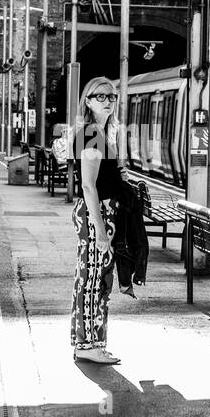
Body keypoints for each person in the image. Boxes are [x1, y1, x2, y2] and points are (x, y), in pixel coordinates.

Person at [70, 79, 126, 364]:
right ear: (88, 101)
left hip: (101, 214)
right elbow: (89, 186)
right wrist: (101, 232)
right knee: (93, 280)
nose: (107, 100)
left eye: (112, 96)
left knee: (95, 278)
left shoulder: (102, 133)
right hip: (97, 215)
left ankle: (89, 342)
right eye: (100, 96)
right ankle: (88, 344)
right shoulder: (92, 133)